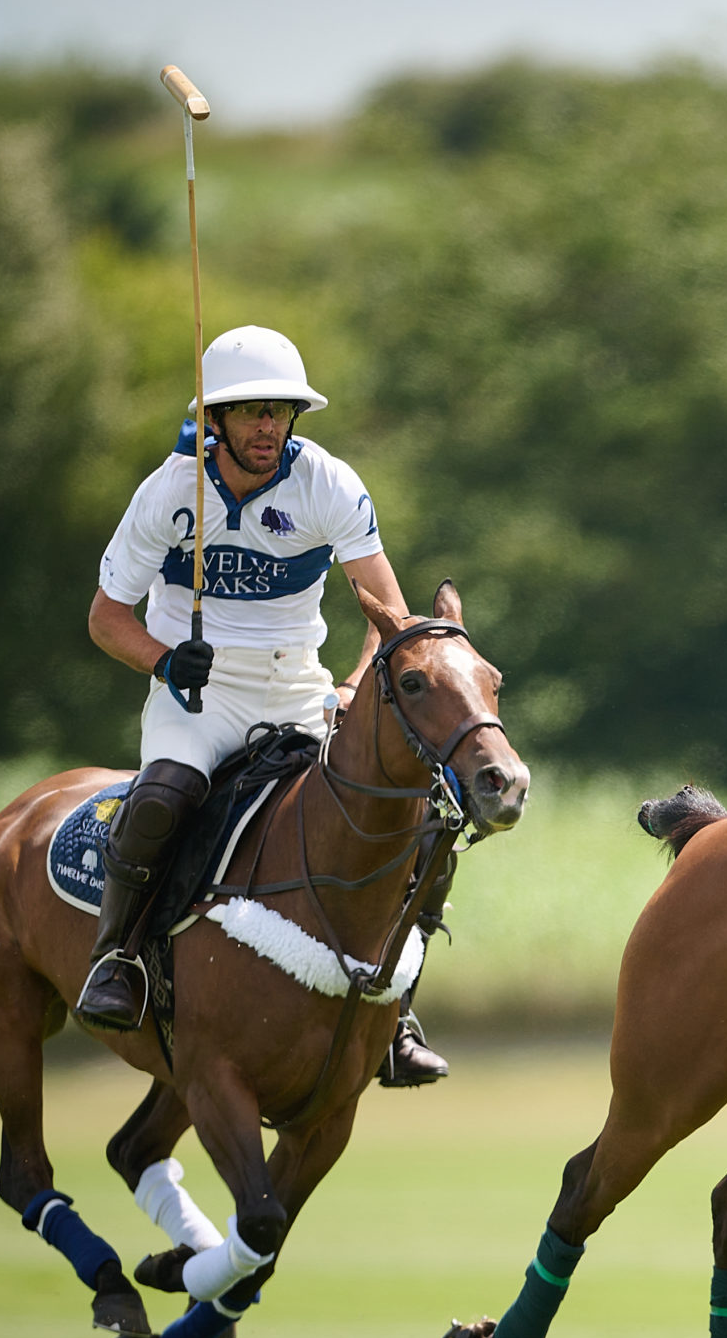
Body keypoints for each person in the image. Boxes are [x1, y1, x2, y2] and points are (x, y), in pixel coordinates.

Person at [76, 325, 449, 1087]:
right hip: (198, 695)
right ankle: (116, 961)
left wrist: (348, 689)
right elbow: (105, 616)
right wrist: (165, 658)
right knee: (161, 797)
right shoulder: (170, 493)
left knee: (414, 814)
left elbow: (391, 620)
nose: (266, 427)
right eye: (248, 413)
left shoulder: (330, 485)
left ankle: (396, 1008)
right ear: (213, 420)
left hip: (299, 688)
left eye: (279, 411)